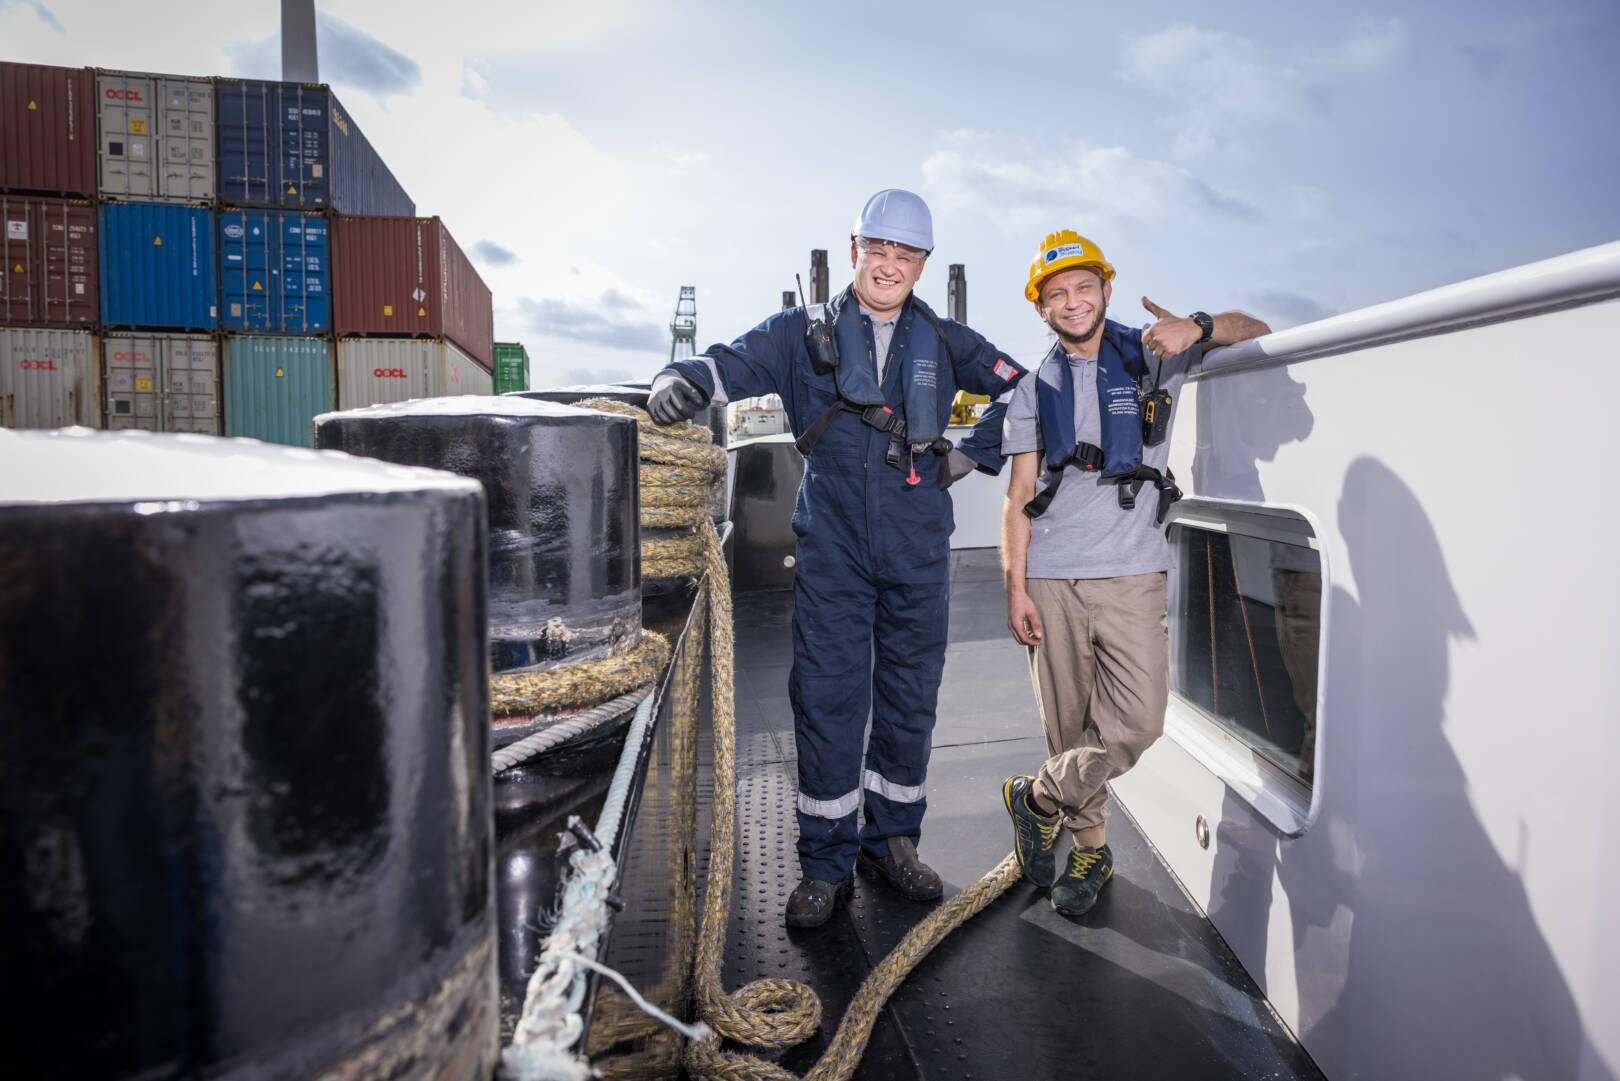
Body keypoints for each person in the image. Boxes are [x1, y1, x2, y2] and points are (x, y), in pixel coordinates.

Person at [649, 189, 1027, 927]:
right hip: (834, 550)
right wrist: (684, 377)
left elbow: (1026, 391)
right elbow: (730, 362)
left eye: (904, 254)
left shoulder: (949, 341)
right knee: (826, 698)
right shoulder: (800, 332)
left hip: (920, 544)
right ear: (854, 251)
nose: (889, 265)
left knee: (910, 697)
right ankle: (826, 862)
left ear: (922, 262)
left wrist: (967, 454)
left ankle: (892, 843)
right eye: (876, 250)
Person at [998, 230, 1270, 916]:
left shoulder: (1156, 358)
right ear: (1042, 309)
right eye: (1056, 293)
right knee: (1069, 725)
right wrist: (1015, 588)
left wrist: (1199, 325)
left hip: (1133, 575)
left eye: (1083, 286)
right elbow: (1017, 498)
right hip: (1052, 579)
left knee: (1139, 720)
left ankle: (1035, 798)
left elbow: (1257, 331)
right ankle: (1090, 851)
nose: (1072, 301)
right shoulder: (1033, 390)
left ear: (1106, 290)